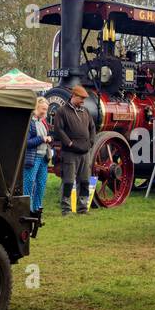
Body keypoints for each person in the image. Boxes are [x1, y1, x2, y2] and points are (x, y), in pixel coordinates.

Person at [51, 84, 95, 215]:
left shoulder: (85, 111)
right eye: (81, 98)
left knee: (85, 181)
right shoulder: (62, 111)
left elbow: (92, 128)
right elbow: (58, 129)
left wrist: (91, 141)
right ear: (74, 96)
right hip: (69, 153)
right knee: (68, 181)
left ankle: (82, 208)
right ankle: (66, 209)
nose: (83, 101)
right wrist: (69, 143)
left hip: (85, 153)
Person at [21, 96, 52, 213]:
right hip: (32, 158)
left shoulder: (43, 122)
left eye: (46, 109)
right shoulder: (30, 123)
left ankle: (37, 208)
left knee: (41, 183)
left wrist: (49, 138)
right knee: (29, 183)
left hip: (43, 158)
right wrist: (42, 138)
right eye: (42, 109)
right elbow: (26, 143)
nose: (45, 112)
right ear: (35, 107)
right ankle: (26, 209)